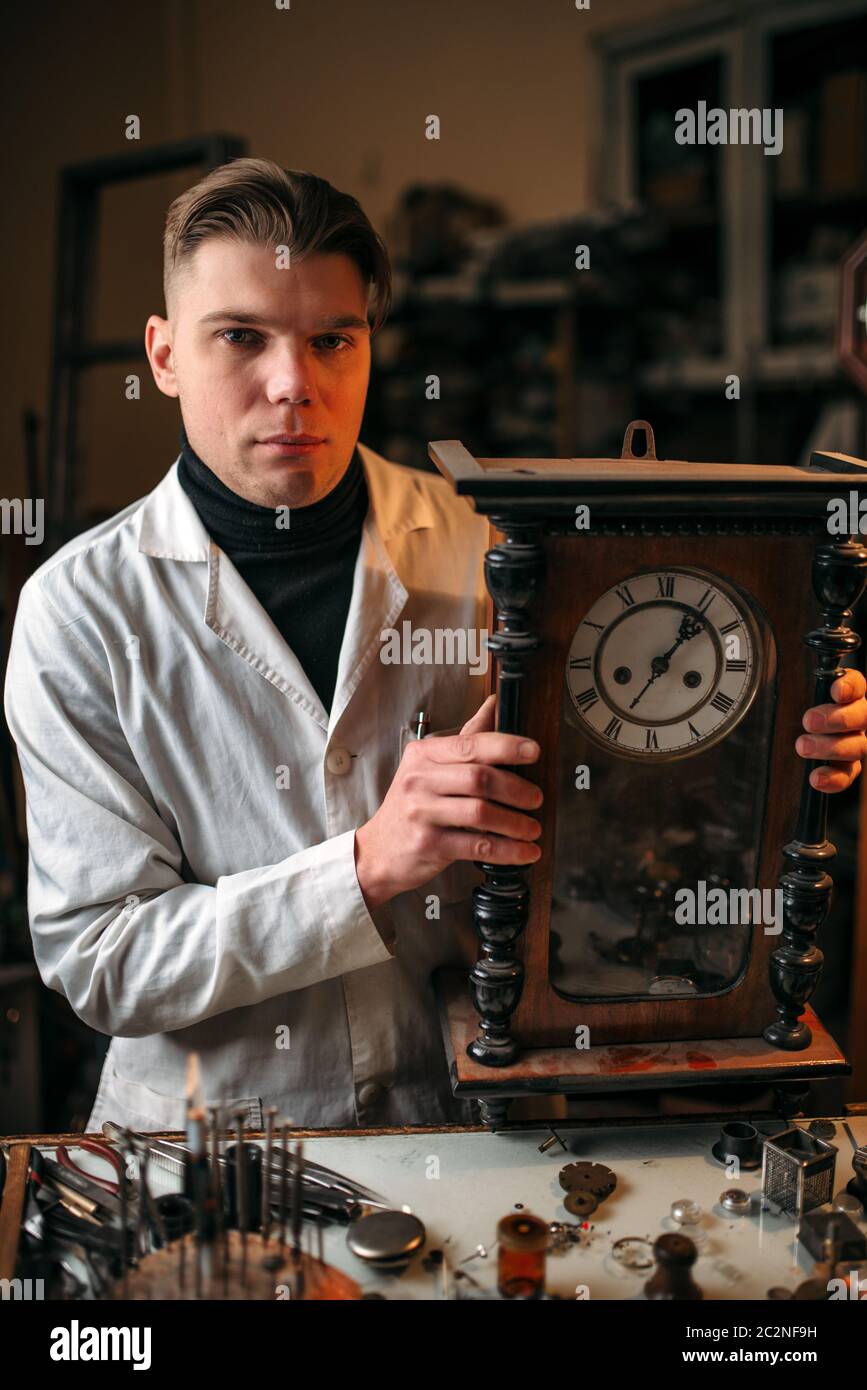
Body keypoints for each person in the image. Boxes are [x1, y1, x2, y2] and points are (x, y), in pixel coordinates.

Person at [5, 158, 866, 1132]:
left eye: (334, 338)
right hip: (206, 1151)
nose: (295, 385)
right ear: (163, 355)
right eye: (241, 337)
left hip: (460, 1121)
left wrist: (767, 735)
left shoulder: (492, 544)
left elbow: (624, 802)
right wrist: (368, 864)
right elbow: (102, 962)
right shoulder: (77, 613)